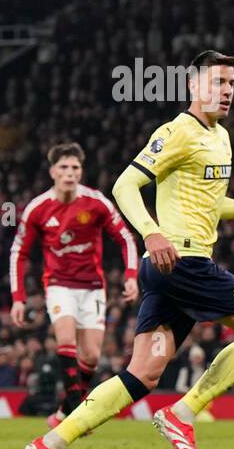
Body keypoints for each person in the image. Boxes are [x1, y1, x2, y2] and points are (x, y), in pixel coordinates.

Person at [23, 51, 234, 449]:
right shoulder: (177, 132)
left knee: (144, 373)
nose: (225, 91)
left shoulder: (221, 138)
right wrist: (150, 232)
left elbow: (212, 206)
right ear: (192, 87)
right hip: (182, 263)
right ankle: (182, 414)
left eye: (230, 83)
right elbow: (124, 185)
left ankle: (51, 444)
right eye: (216, 82)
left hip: (168, 271)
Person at [9, 142, 139, 428]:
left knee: (91, 355)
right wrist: (18, 297)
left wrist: (131, 275)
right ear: (53, 171)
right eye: (64, 167)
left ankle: (62, 413)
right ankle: (77, 413)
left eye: (75, 168)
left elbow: (126, 238)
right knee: (65, 338)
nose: (70, 173)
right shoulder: (38, 209)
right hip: (59, 284)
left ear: (81, 171)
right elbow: (19, 252)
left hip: (92, 286)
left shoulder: (96, 203)